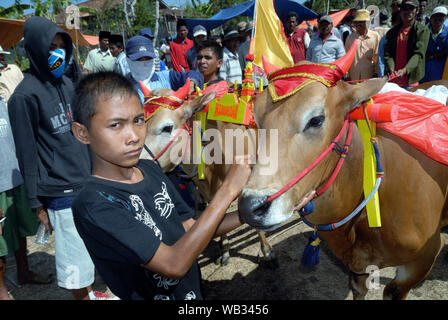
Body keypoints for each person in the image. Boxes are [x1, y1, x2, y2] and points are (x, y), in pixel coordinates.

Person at [7, 16, 110, 300]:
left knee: (93, 249)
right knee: (75, 261)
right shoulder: (24, 97)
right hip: (60, 192)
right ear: (36, 49)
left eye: (61, 46)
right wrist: (36, 203)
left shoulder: (66, 83)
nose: (58, 53)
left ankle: (93, 293)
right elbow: (26, 154)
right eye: (51, 46)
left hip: (88, 181)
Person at [0, 97, 53, 300]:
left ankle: (24, 272)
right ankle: (2, 290)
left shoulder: (2, 102)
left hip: (15, 178)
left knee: (21, 230)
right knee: (0, 241)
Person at [125, 35, 203, 103]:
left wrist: (191, 83)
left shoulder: (166, 76)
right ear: (128, 60)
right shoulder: (122, 86)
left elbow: (194, 74)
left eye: (148, 58)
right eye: (139, 59)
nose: (144, 63)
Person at [384, 0, 429, 88]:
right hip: (393, 80)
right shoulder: (391, 32)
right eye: (404, 9)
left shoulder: (422, 30)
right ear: (400, 11)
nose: (407, 12)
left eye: (411, 9)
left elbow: (418, 54)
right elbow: (387, 54)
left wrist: (405, 70)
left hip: (411, 81)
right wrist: (391, 68)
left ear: (417, 10)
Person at [344, 9, 381, 81]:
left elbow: (377, 57)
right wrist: (346, 73)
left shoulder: (375, 36)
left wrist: (376, 73)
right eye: (356, 22)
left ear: (367, 22)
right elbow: (346, 57)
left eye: (361, 21)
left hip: (369, 77)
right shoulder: (350, 38)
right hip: (353, 77)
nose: (358, 24)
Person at [420, 6, 448, 83]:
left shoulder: (447, 34)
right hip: (422, 72)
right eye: (436, 16)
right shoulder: (422, 32)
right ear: (431, 18)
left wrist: (432, 56)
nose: (438, 19)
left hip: (439, 73)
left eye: (441, 16)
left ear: (445, 18)